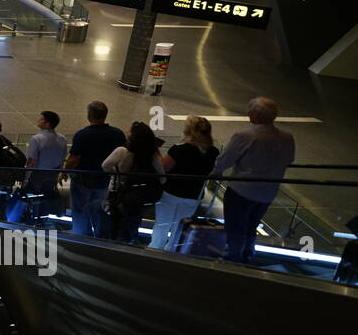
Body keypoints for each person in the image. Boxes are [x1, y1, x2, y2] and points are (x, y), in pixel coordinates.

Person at [210, 97, 295, 264]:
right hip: (268, 193)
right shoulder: (287, 137)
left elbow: (225, 160)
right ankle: (248, 255)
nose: (248, 112)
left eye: (249, 110)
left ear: (255, 115)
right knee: (251, 227)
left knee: (235, 227)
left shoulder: (245, 136)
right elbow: (289, 160)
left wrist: (215, 172)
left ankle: (232, 259)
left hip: (241, 191)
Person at [151, 116, 218, 252]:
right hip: (194, 195)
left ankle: (155, 251)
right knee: (179, 227)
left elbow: (164, 168)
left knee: (162, 225)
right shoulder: (213, 151)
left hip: (171, 192)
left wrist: (156, 152)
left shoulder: (179, 149)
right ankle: (172, 252)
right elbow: (212, 172)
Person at [64, 101, 128, 238]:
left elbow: (74, 159)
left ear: (89, 116)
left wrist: (64, 172)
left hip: (83, 180)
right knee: (97, 209)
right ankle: (98, 237)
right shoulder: (117, 134)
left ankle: (81, 236)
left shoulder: (82, 135)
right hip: (104, 180)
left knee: (80, 209)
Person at [101, 121, 165, 243]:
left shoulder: (122, 152)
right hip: (145, 197)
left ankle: (115, 243)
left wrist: (115, 171)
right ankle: (130, 241)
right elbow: (163, 178)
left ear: (132, 136)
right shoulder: (152, 155)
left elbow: (106, 167)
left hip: (123, 196)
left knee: (116, 222)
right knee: (134, 220)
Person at [22, 111, 68, 220]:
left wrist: (25, 179)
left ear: (47, 124)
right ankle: (43, 220)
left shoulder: (36, 139)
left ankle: (32, 220)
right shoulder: (63, 139)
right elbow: (62, 160)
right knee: (45, 198)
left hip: (37, 175)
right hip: (52, 175)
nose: (38, 120)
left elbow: (32, 162)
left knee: (33, 198)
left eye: (41, 119)